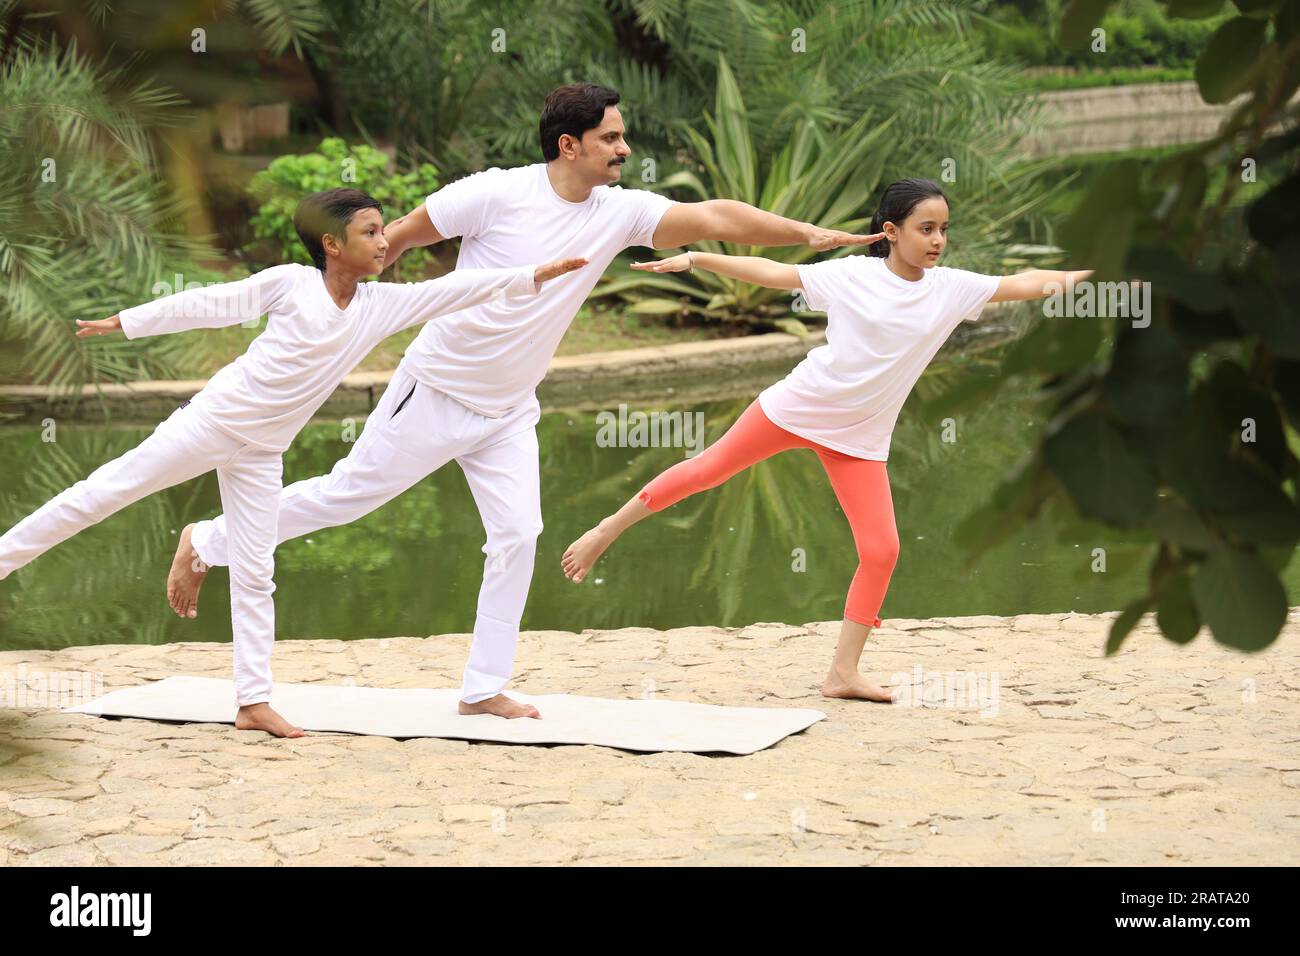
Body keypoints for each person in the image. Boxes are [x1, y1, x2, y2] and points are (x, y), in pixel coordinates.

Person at [167, 83, 882, 720]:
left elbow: (712, 215)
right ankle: (207, 541)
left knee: (518, 535)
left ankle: (483, 687)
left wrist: (806, 235)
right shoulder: (493, 194)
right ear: (569, 144)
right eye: (611, 137)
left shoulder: (620, 211)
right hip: (438, 388)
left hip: (509, 408)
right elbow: (393, 246)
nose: (624, 149)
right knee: (347, 496)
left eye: (622, 137)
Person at [0, 187, 585, 737]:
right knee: (99, 496)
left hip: (262, 452)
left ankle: (253, 703)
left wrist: (533, 274)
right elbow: (211, 303)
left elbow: (456, 291)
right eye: (371, 232)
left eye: (384, 230)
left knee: (256, 570)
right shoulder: (291, 283)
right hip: (210, 425)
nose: (386, 242)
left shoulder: (378, 305)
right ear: (332, 244)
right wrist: (129, 322)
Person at [561, 178, 1094, 702]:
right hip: (799, 406)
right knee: (705, 471)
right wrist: (701, 260)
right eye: (925, 228)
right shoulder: (853, 276)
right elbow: (775, 272)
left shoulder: (951, 287)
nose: (937, 240)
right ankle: (606, 531)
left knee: (882, 550)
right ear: (891, 230)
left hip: (860, 436)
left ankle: (843, 673)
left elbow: (1025, 281)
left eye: (943, 230)